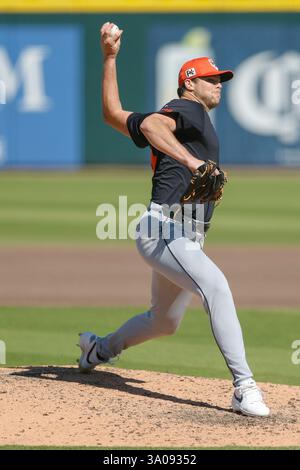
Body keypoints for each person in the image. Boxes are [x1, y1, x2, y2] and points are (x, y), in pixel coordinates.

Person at [77, 22, 270, 418]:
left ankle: (98, 349)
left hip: (182, 234)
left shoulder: (189, 116)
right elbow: (149, 125)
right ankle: (244, 386)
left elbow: (112, 114)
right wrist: (191, 160)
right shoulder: (189, 109)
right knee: (216, 286)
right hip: (165, 228)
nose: (220, 84)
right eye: (213, 79)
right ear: (190, 82)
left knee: (163, 321)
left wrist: (110, 59)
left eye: (222, 80)